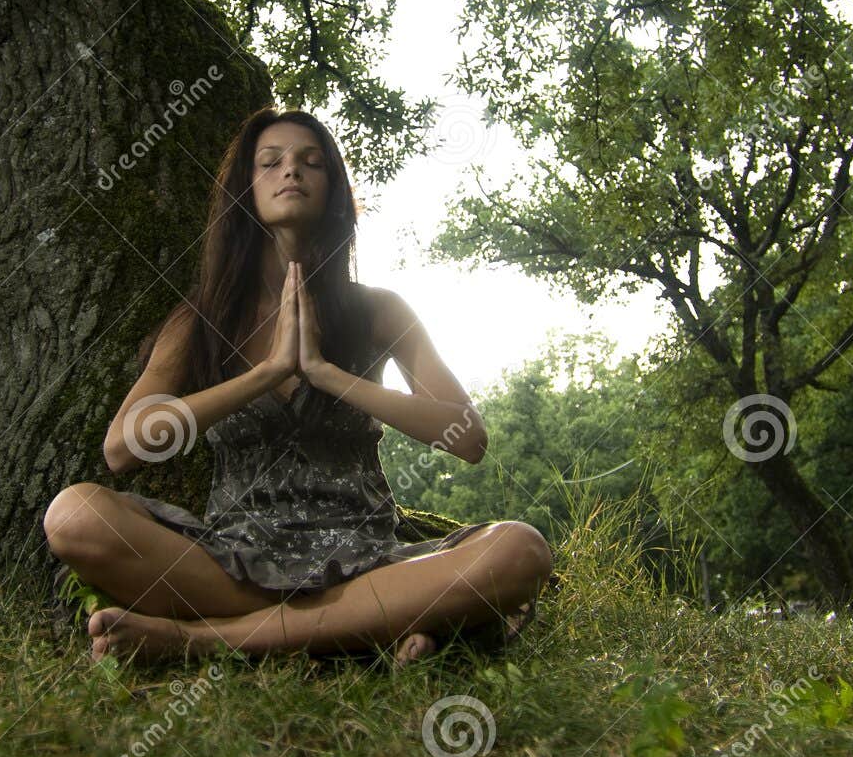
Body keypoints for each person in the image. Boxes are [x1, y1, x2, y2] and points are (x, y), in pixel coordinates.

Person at [40, 106, 555, 668]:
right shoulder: (201, 321)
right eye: (271, 162)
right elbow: (123, 448)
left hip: (368, 563)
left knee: (519, 550)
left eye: (312, 162)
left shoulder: (378, 311)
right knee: (74, 516)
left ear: (333, 191)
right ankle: (367, 629)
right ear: (246, 189)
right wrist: (265, 374)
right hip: (233, 563)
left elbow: (468, 438)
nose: (291, 170)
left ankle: (203, 640)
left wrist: (327, 375)